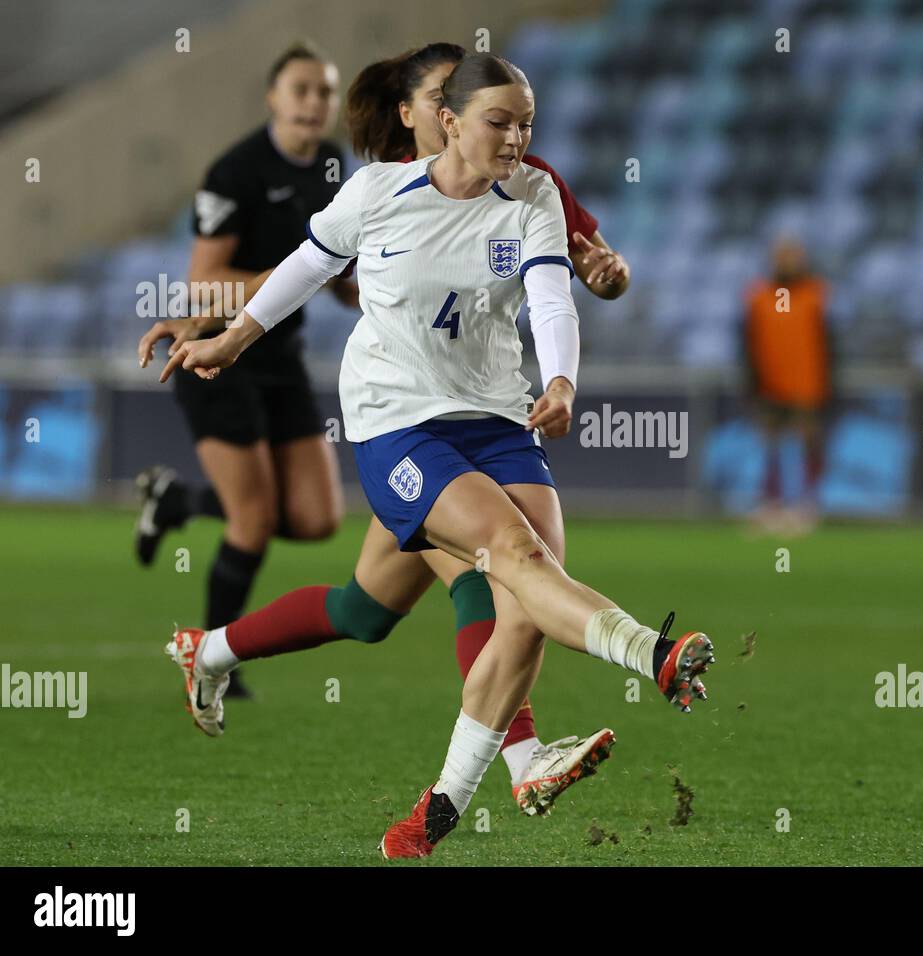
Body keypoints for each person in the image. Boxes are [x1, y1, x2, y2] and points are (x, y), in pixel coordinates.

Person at [157, 53, 714, 858]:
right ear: (441, 119)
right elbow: (307, 267)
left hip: (495, 418)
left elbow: (555, 296)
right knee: (512, 562)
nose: (518, 136)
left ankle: (436, 806)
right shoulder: (378, 191)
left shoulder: (535, 196)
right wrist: (231, 338)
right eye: (501, 121)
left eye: (527, 122)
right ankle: (648, 658)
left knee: (407, 608)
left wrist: (560, 381)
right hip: (398, 423)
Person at [134, 41, 358, 699]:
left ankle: (178, 500)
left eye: (325, 91)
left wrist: (367, 289)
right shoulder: (235, 171)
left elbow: (336, 265)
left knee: (317, 519)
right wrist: (293, 279)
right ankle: (212, 661)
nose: (316, 102)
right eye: (303, 89)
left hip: (281, 356)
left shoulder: (332, 163)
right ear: (272, 96)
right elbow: (203, 285)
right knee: (254, 519)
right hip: (216, 350)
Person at [741, 235, 831, 531]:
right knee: (769, 446)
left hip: (806, 384)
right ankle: (771, 505)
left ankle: (802, 506)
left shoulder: (814, 295)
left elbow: (829, 343)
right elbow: (747, 343)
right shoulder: (758, 296)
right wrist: (752, 382)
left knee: (802, 444)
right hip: (769, 384)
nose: (787, 262)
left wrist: (828, 384)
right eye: (782, 255)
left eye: (792, 255)